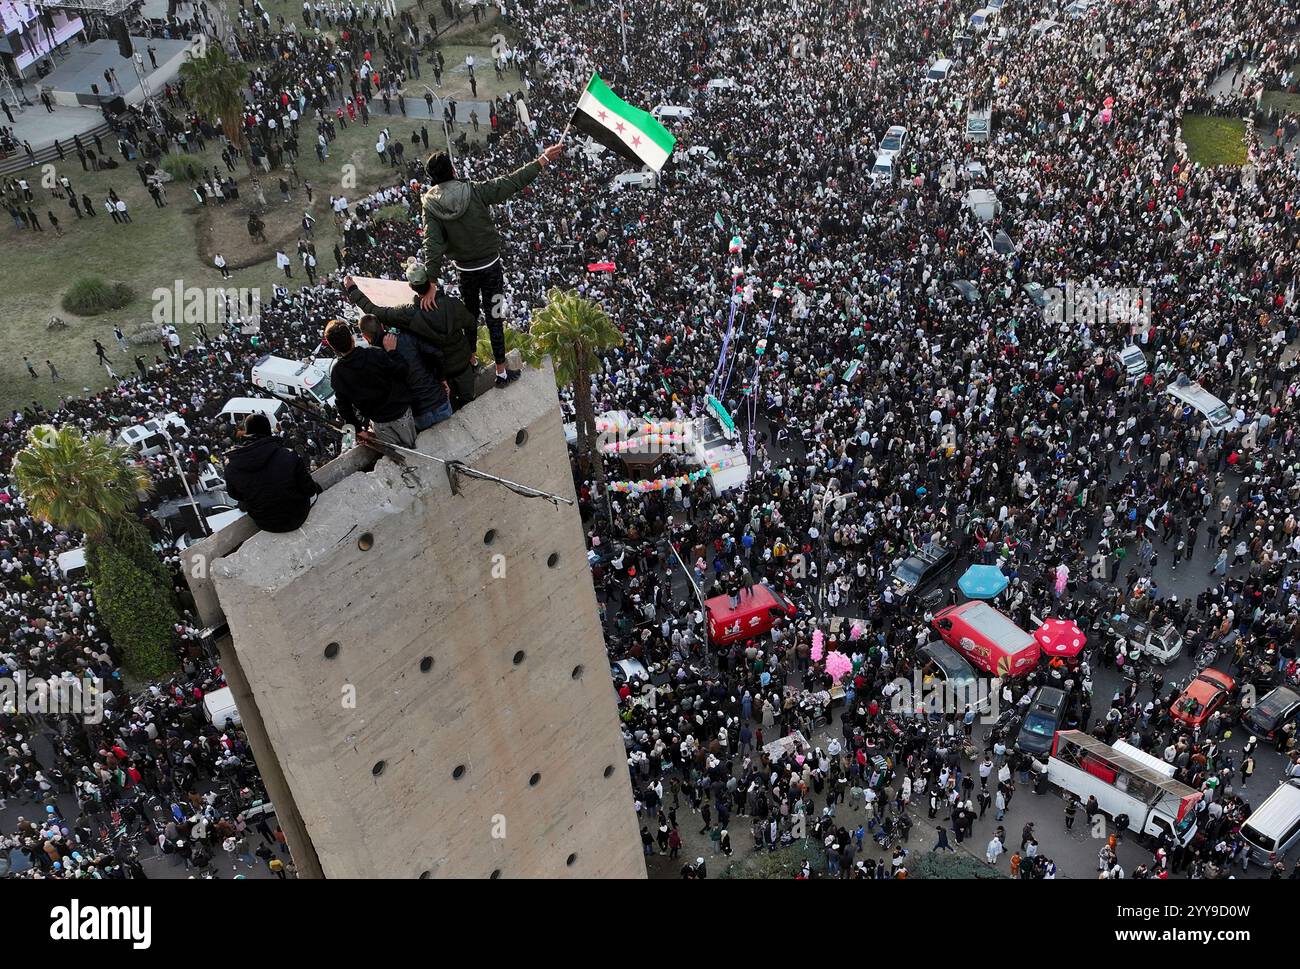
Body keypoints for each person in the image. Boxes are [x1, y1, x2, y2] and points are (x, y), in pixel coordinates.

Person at [419, 142, 564, 387]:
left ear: (432, 178)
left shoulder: (431, 205)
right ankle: (501, 371)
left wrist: (431, 281)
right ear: (453, 170)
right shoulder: (473, 191)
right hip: (490, 268)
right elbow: (511, 182)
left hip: (465, 271)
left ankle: (472, 360)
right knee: (494, 316)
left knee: (471, 316)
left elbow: (432, 244)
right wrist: (542, 160)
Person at [341, 265, 479, 413]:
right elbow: (471, 325)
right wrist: (471, 350)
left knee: (451, 411)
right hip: (462, 365)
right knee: (471, 402)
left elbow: (375, 312)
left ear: (411, 286)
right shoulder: (453, 304)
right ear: (430, 281)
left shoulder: (407, 313)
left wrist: (353, 290)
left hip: (437, 374)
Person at [324, 318, 417, 448]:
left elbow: (344, 408)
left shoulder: (337, 374)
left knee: (398, 455)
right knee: (414, 449)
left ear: (333, 347)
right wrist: (392, 352)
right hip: (400, 413)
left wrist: (358, 430)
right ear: (352, 339)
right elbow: (402, 371)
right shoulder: (374, 354)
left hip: (380, 422)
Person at [223, 413, 322, 532]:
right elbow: (309, 489)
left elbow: (235, 494)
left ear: (246, 433)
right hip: (297, 515)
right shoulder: (287, 455)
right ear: (267, 431)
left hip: (265, 523)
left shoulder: (232, 466)